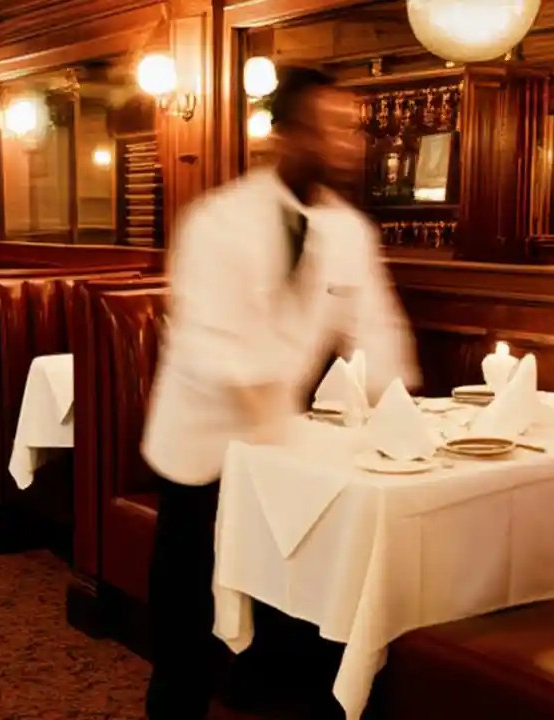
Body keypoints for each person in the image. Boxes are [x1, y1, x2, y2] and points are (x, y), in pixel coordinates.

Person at [140, 65, 420, 719]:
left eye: (352, 130)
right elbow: (211, 343)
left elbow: (379, 333)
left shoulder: (351, 232)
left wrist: (399, 415)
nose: (349, 144)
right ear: (286, 134)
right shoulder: (215, 220)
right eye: (331, 129)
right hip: (200, 451)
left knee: (287, 627)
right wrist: (282, 422)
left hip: (280, 457)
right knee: (185, 634)